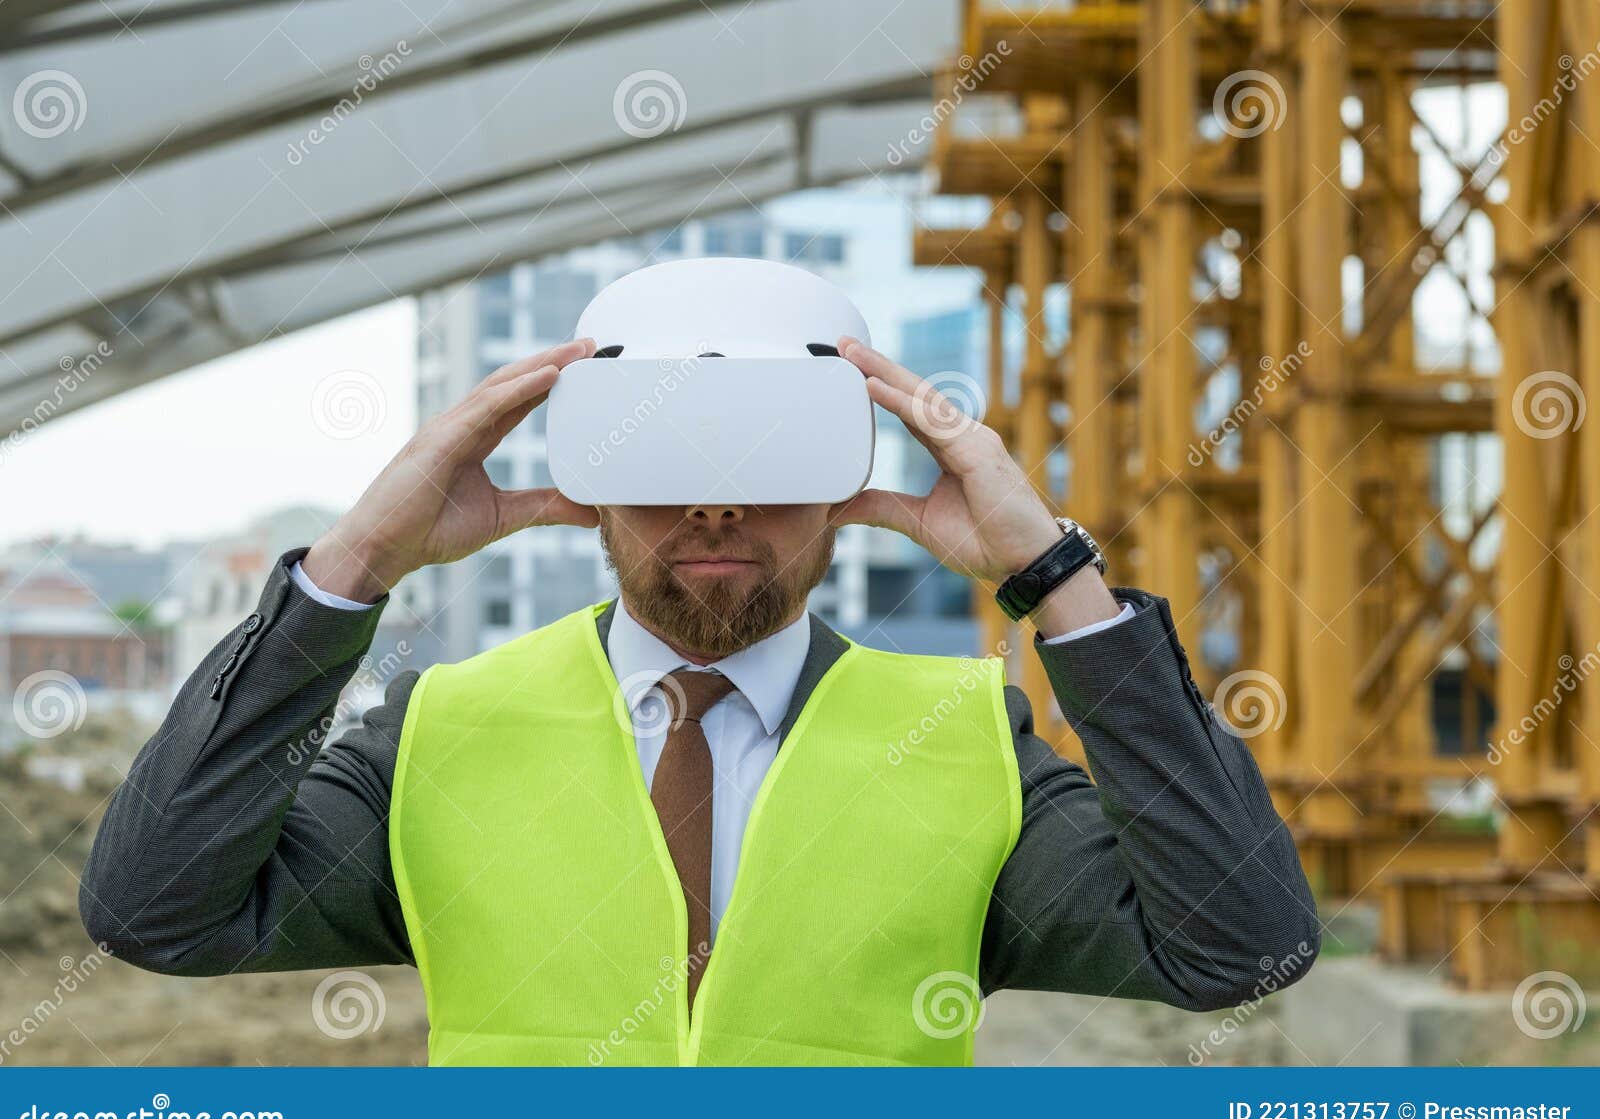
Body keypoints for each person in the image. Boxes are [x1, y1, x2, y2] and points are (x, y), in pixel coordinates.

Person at [81, 330, 1319, 1067]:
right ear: (590, 483)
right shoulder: (440, 731)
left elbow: (1242, 944)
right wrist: (353, 565)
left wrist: (1061, 584)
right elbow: (157, 910)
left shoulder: (958, 741)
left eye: (771, 461)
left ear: (845, 483)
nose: (717, 507)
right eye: (668, 461)